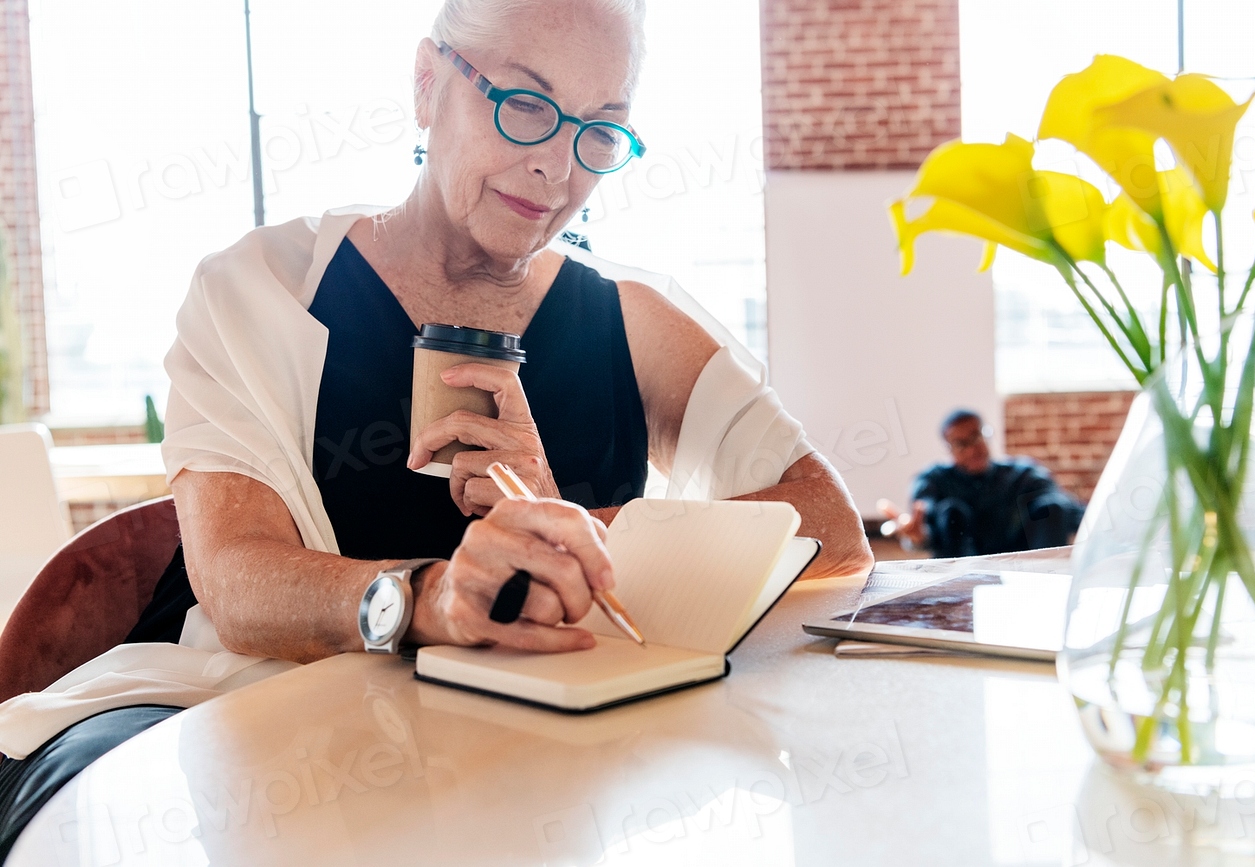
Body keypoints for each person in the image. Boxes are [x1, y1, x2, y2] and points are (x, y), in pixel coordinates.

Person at [0, 0, 871, 853]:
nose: (558, 169)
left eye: (599, 131)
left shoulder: (631, 320)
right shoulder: (259, 289)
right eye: (526, 105)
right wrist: (428, 597)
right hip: (229, 712)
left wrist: (570, 527)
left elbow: (832, 528)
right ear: (428, 83)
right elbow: (232, 580)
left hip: (541, 748)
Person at [880, 409, 1083, 558]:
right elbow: (924, 520)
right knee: (951, 511)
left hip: (1025, 568)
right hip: (960, 579)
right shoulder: (934, 480)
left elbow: (1068, 509)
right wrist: (918, 536)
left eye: (976, 437)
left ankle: (1048, 583)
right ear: (948, 448)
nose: (972, 449)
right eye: (961, 444)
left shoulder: (1021, 474)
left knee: (1050, 505)